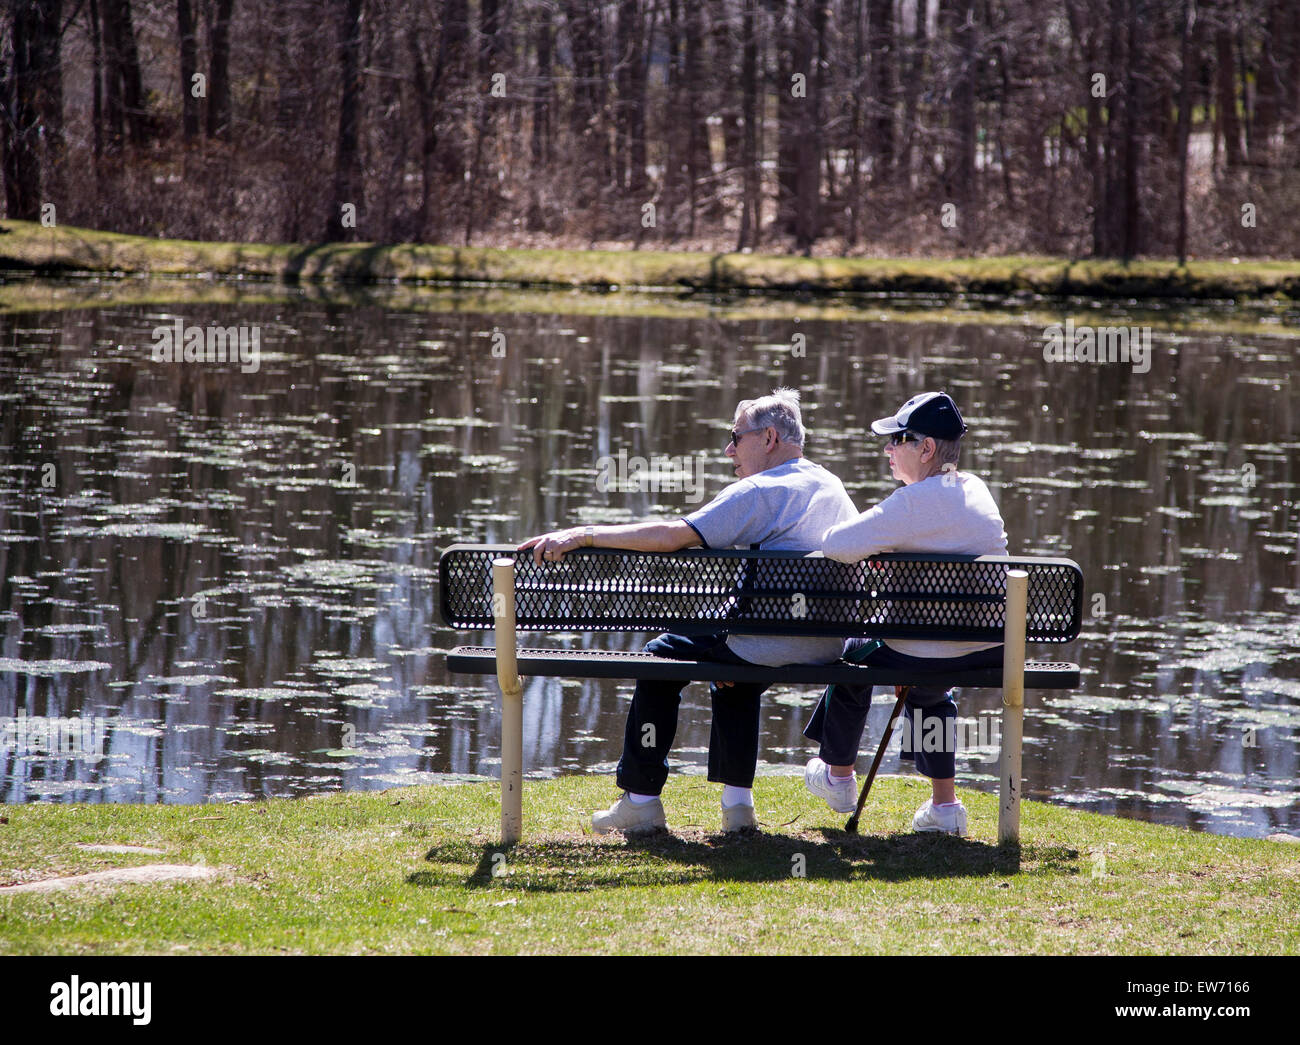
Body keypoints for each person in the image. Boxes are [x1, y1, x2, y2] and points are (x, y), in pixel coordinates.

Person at [520, 388, 857, 835]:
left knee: (663, 655)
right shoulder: (831, 484)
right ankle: (737, 808)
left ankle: (640, 800)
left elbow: (672, 535)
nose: (729, 449)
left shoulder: (761, 489)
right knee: (733, 667)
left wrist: (582, 534)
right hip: (826, 645)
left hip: (765, 641)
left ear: (769, 437)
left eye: (736, 437)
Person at [802, 391, 1008, 836]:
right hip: (988, 648)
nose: (888, 450)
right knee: (931, 688)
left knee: (852, 655)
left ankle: (837, 775)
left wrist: (884, 543)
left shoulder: (911, 502)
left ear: (926, 448)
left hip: (917, 649)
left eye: (898, 440)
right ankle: (945, 807)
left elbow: (835, 544)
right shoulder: (976, 489)